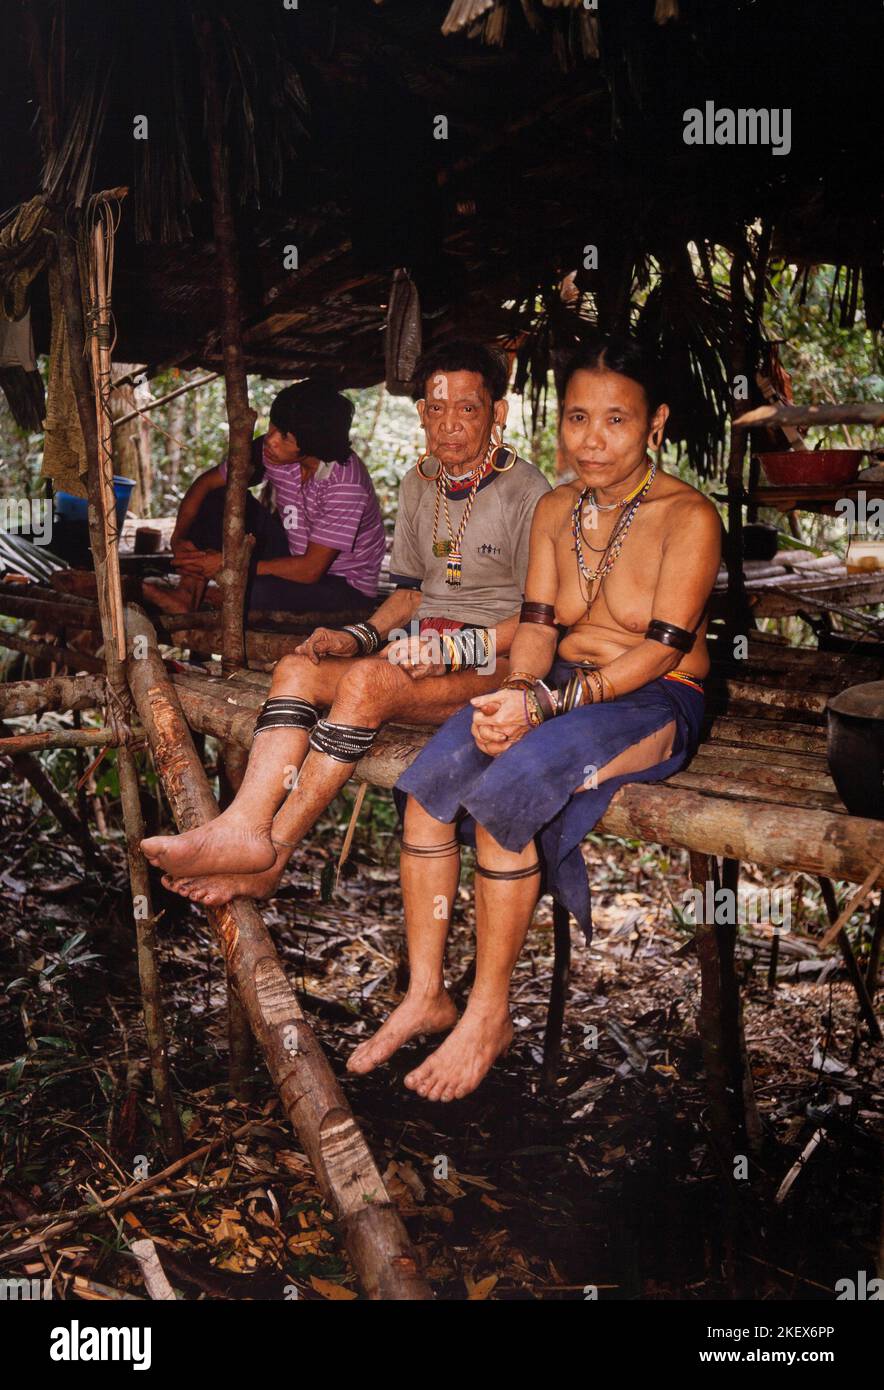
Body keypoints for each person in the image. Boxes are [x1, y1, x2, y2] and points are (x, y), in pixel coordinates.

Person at [347, 334, 722, 1103]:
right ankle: (426, 994)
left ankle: (489, 1013)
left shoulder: (689, 516)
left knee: (503, 805)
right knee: (427, 794)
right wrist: (516, 694)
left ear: (655, 424)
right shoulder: (556, 508)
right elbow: (541, 626)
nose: (592, 439)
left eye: (616, 420)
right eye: (578, 417)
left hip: (654, 698)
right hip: (551, 681)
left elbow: (659, 651)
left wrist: (544, 706)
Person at [141, 339, 551, 908]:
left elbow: (542, 619)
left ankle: (273, 854)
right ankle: (241, 826)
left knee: (363, 683)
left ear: (496, 413)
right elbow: (409, 594)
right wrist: (357, 636)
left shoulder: (528, 492)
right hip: (419, 646)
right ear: (421, 414)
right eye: (436, 408)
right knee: (299, 667)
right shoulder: (420, 483)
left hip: (496, 658)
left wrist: (456, 650)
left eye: (467, 408)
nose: (449, 424)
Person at [142, 380, 385, 616]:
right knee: (220, 497)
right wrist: (178, 537)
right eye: (273, 426)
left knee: (251, 593)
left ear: (312, 445)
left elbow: (311, 569)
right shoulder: (272, 453)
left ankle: (212, 598)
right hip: (291, 555)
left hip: (341, 585)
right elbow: (205, 484)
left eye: (284, 437)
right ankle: (187, 594)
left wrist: (231, 565)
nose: (271, 439)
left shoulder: (346, 484)